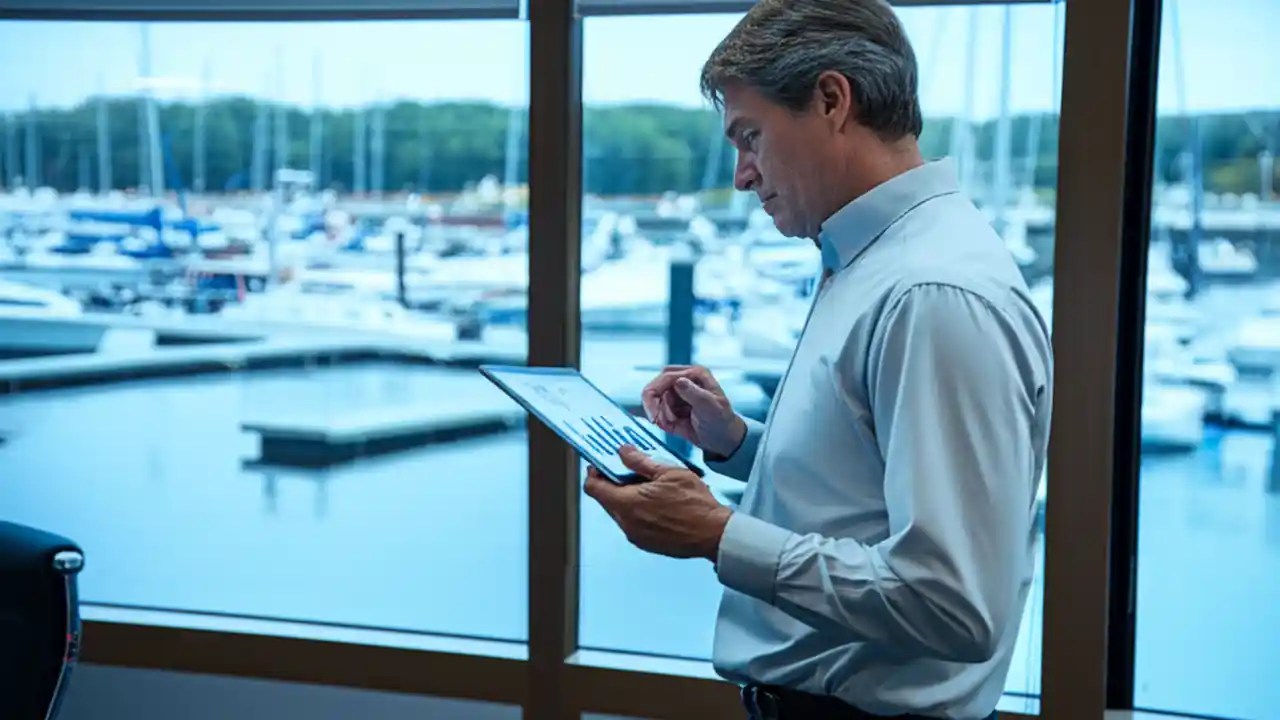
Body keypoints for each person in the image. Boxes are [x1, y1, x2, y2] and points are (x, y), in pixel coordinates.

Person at [583, 1, 1054, 719]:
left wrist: (718, 534)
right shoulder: (872, 258)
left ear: (833, 100)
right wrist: (737, 444)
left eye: (751, 137)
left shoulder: (931, 292)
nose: (742, 175)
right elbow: (870, 486)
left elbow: (954, 604)